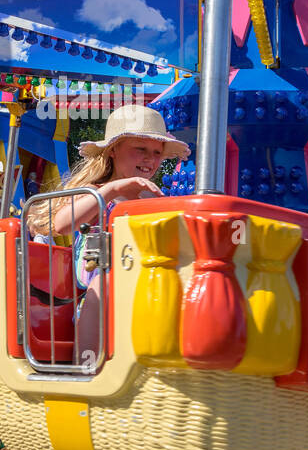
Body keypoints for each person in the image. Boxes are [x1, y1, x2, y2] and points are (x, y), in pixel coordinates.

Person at [26, 105, 189, 363]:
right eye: (141, 149)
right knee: (104, 285)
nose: (150, 159)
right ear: (113, 150)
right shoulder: (96, 192)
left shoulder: (154, 198)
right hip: (101, 293)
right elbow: (61, 224)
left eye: (157, 153)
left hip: (146, 287)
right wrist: (111, 190)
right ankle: (88, 369)